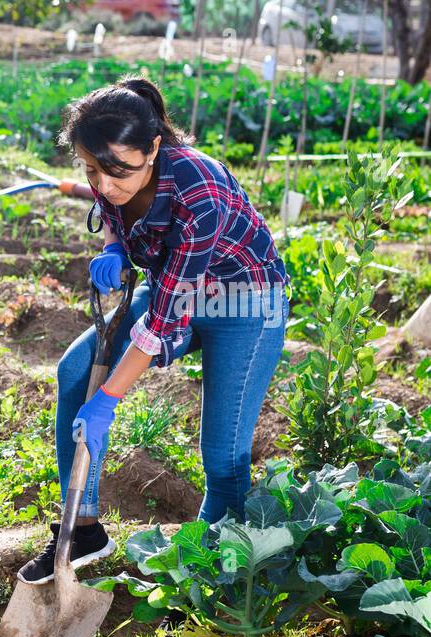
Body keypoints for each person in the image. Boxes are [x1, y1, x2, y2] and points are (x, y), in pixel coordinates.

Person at [19, 76, 290, 585]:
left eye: (118, 171)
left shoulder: (199, 190)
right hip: (176, 285)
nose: (104, 185)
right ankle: (81, 527)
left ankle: (220, 574)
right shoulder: (114, 181)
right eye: (92, 170)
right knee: (76, 369)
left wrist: (109, 401)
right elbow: (120, 220)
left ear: (154, 149)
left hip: (245, 303)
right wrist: (115, 249)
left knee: (223, 453)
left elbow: (164, 319)